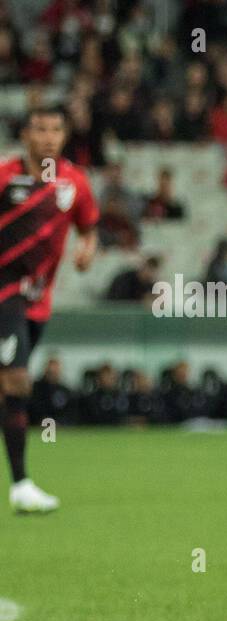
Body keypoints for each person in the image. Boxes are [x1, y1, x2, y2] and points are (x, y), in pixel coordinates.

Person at [0, 105, 98, 514]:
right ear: (24, 134)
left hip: (38, 302)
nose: (47, 137)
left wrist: (86, 251)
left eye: (55, 129)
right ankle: (21, 483)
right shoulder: (5, 177)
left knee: (10, 387)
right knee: (16, 381)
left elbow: (89, 228)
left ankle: (21, 482)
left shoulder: (74, 182)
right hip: (4, 294)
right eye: (39, 129)